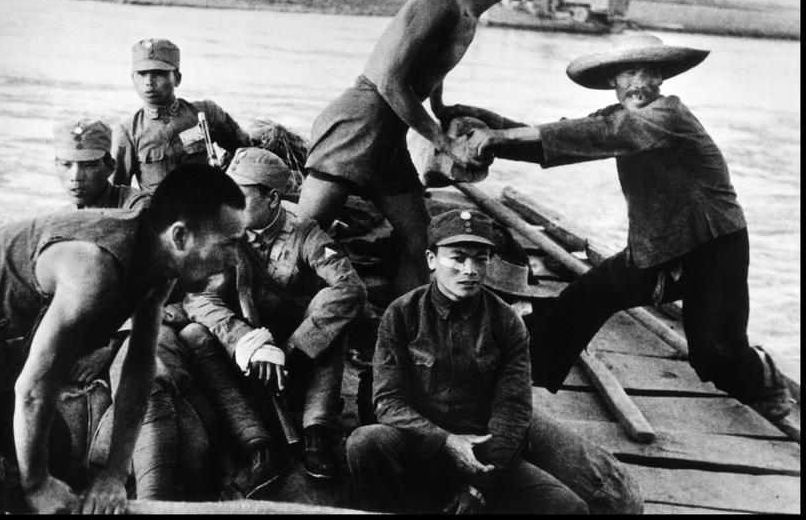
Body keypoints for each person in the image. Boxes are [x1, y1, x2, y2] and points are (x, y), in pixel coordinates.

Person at [0, 164, 247, 514]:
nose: (234, 259)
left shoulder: (161, 263)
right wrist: (35, 485)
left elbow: (138, 369)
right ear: (180, 236)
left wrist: (114, 475)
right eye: (228, 243)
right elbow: (33, 389)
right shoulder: (94, 269)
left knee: (58, 450)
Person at [472, 34, 793, 421]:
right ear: (614, 81)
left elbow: (596, 135)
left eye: (649, 72)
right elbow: (563, 141)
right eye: (629, 72)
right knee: (583, 300)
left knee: (714, 357)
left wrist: (498, 137)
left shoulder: (667, 115)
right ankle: (524, 386)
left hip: (712, 245)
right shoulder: (618, 119)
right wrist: (486, 126)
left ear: (661, 80)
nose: (639, 82)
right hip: (655, 248)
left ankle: (762, 377)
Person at [298, 0, 539, 297]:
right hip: (360, 122)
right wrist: (441, 141)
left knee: (422, 242)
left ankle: (403, 332)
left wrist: (441, 107)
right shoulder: (442, 3)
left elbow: (429, 62)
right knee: (299, 238)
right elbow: (389, 81)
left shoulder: (470, 7)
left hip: (389, 133)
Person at [346, 210, 587, 514]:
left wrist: (481, 485)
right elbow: (388, 403)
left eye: (480, 258)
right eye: (457, 257)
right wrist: (445, 440)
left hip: (481, 455)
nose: (469, 269)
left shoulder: (507, 324)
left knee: (568, 508)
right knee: (365, 442)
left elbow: (512, 410)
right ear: (431, 260)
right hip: (417, 446)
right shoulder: (401, 314)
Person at [185, 147, 367, 480]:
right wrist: (246, 342)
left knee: (330, 309)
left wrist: (290, 349)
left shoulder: (307, 234)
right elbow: (199, 297)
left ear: (272, 198)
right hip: (249, 353)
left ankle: (317, 429)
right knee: (193, 335)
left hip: (299, 354)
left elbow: (350, 289)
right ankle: (255, 440)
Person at [111, 38, 251, 191]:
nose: (149, 81)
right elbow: (117, 192)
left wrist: (226, 178)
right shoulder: (127, 131)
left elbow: (244, 150)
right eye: (142, 74)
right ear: (133, 79)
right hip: (158, 212)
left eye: (159, 73)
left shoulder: (205, 112)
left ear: (177, 79)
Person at [53, 118, 150, 210]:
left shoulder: (136, 207)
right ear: (56, 165)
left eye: (88, 165)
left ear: (110, 167)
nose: (76, 176)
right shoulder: (60, 218)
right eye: (66, 164)